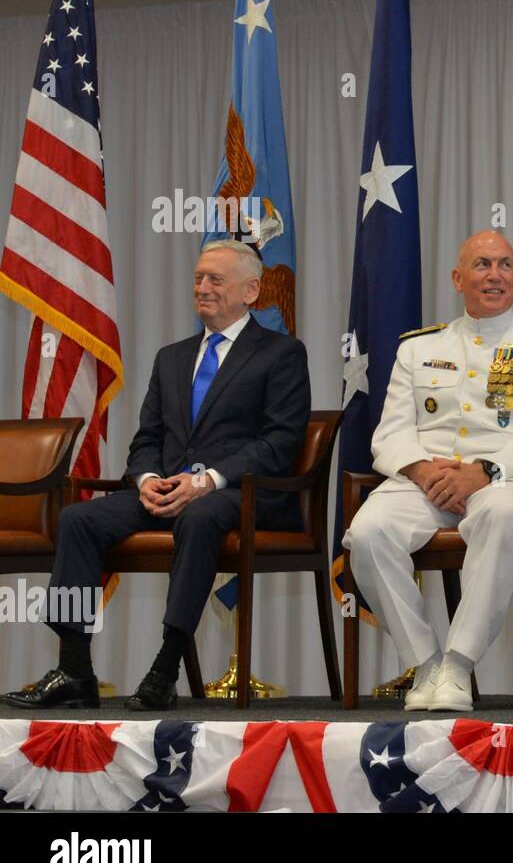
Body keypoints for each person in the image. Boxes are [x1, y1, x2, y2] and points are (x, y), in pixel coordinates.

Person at [3, 239, 310, 711]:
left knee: (200, 517)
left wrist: (205, 480)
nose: (202, 288)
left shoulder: (281, 353)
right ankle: (75, 669)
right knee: (77, 520)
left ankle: (166, 668)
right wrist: (147, 480)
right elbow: (146, 439)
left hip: (242, 495)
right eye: (197, 278)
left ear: (251, 290)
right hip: (166, 491)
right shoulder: (172, 357)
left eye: (215, 280)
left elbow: (280, 442)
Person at [343, 229, 513, 712]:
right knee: (366, 532)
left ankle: (458, 664)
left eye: (505, 265)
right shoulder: (416, 349)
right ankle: (426, 664)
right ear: (457, 278)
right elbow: (389, 434)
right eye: (482, 265)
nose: (495, 276)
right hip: (425, 482)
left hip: (505, 481)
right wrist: (423, 471)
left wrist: (486, 470)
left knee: (506, 514)